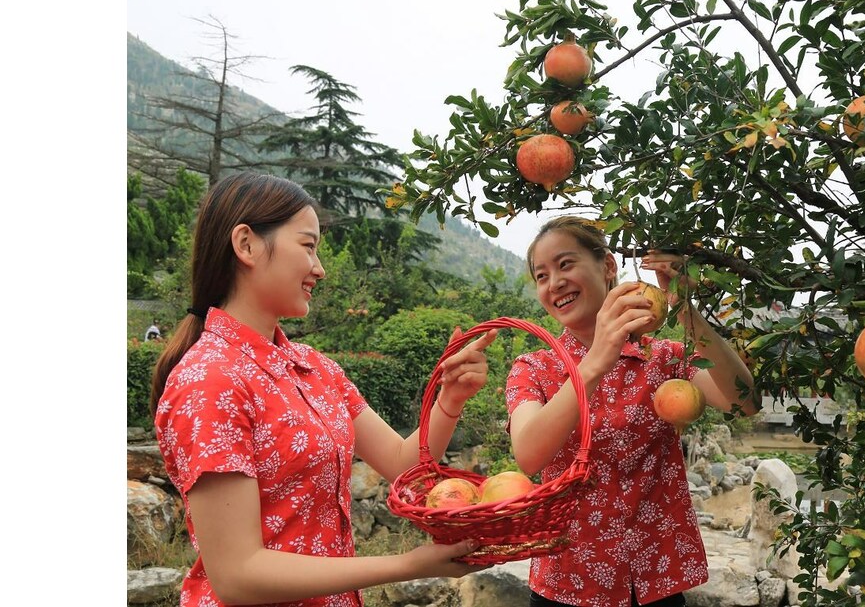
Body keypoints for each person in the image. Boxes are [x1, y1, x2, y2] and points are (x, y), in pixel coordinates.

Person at [150, 172, 498, 606]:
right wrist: (409, 564)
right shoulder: (209, 379)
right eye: (308, 246)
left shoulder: (315, 368)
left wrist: (450, 397)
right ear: (246, 245)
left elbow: (402, 462)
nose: (320, 268)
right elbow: (237, 575)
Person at [504, 216, 758, 607]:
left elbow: (743, 401)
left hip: (656, 580)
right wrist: (593, 364)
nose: (553, 282)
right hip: (568, 584)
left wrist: (683, 308)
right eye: (541, 275)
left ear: (607, 267)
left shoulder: (666, 360)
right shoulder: (535, 368)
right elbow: (529, 454)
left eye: (565, 264)